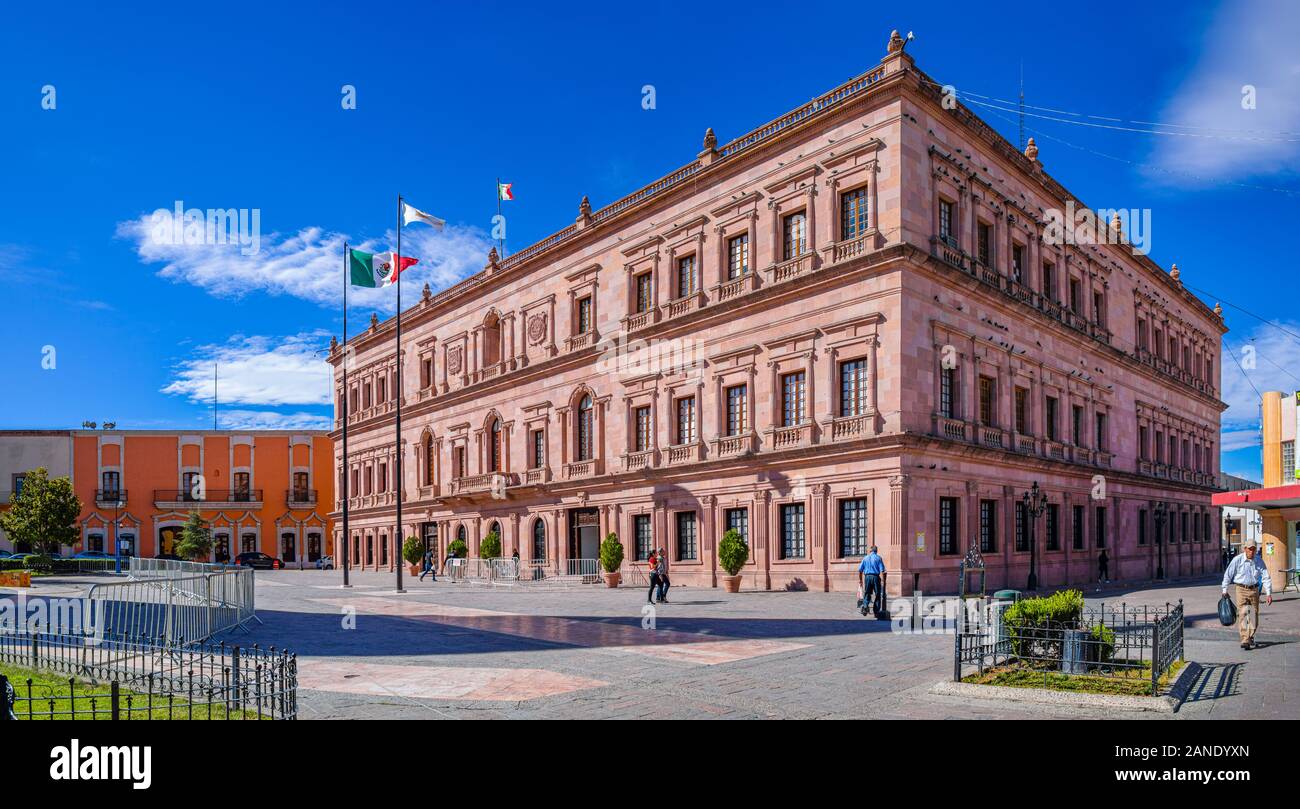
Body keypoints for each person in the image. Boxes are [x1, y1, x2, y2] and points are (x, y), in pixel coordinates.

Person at [1221, 538, 1272, 650]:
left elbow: (1266, 577)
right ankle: (1245, 639)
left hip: (1254, 590)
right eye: (1250, 549)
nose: (1252, 552)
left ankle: (1249, 636)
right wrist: (1224, 589)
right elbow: (1228, 575)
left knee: (1254, 615)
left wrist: (1268, 593)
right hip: (1241, 589)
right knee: (1243, 614)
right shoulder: (1237, 560)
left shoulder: (1259, 561)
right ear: (1245, 549)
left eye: (1254, 549)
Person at [857, 545, 886, 617]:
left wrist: (860, 580)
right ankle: (876, 611)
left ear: (870, 551)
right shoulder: (878, 558)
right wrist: (883, 580)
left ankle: (865, 606)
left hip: (867, 577)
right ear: (876, 551)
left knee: (867, 593)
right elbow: (882, 571)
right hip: (876, 577)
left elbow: (860, 571)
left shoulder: (865, 558)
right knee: (878, 594)